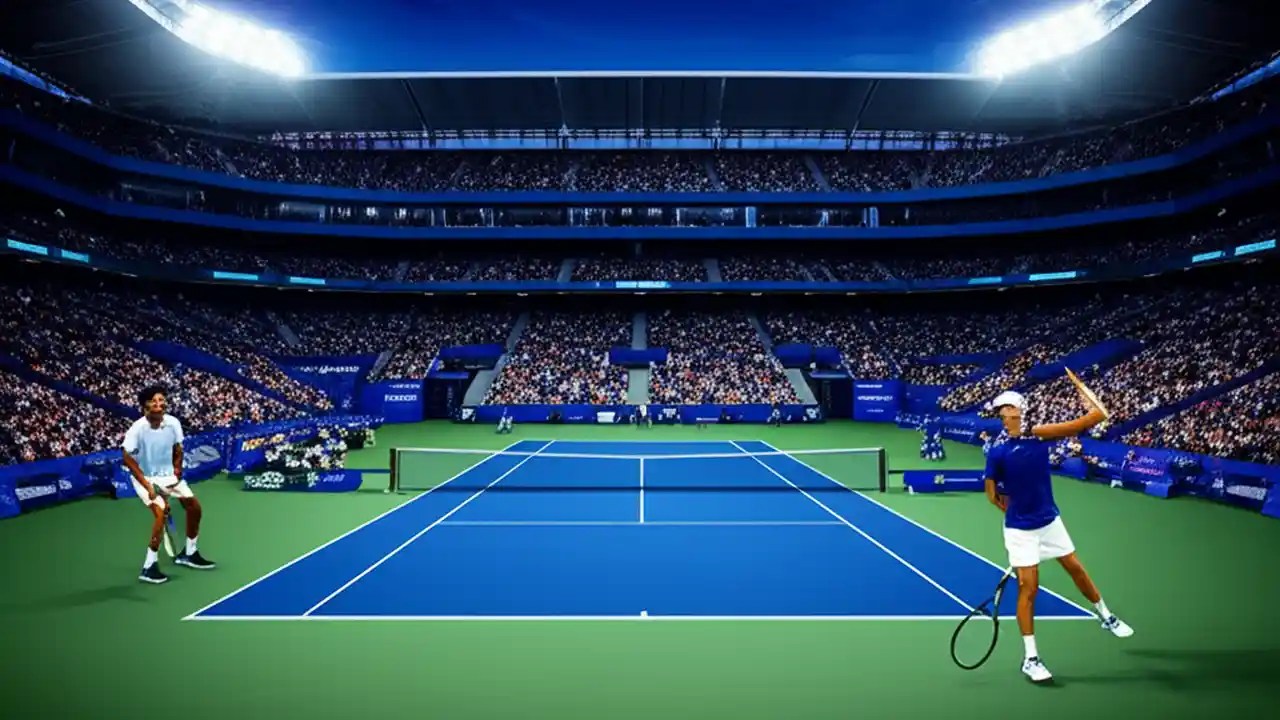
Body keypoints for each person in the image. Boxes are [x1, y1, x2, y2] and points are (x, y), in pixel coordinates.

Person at [984, 386, 1132, 684]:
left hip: (1050, 521)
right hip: (1020, 530)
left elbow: (1088, 420)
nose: (1002, 415)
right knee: (1029, 589)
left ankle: (1105, 615)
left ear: (1016, 410)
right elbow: (991, 493)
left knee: (1075, 567)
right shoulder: (998, 451)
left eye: (1005, 410)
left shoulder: (1040, 433)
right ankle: (1031, 658)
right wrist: (1016, 518)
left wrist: (1091, 405)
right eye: (1000, 411)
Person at [121, 385, 215, 584]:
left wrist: (177, 469)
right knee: (161, 513)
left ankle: (189, 553)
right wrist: (147, 485)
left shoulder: (173, 423)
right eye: (154, 401)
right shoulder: (136, 429)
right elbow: (127, 459)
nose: (159, 404)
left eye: (161, 400)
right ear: (144, 406)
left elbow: (178, 448)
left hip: (169, 476)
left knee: (194, 506)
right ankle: (149, 566)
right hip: (145, 478)